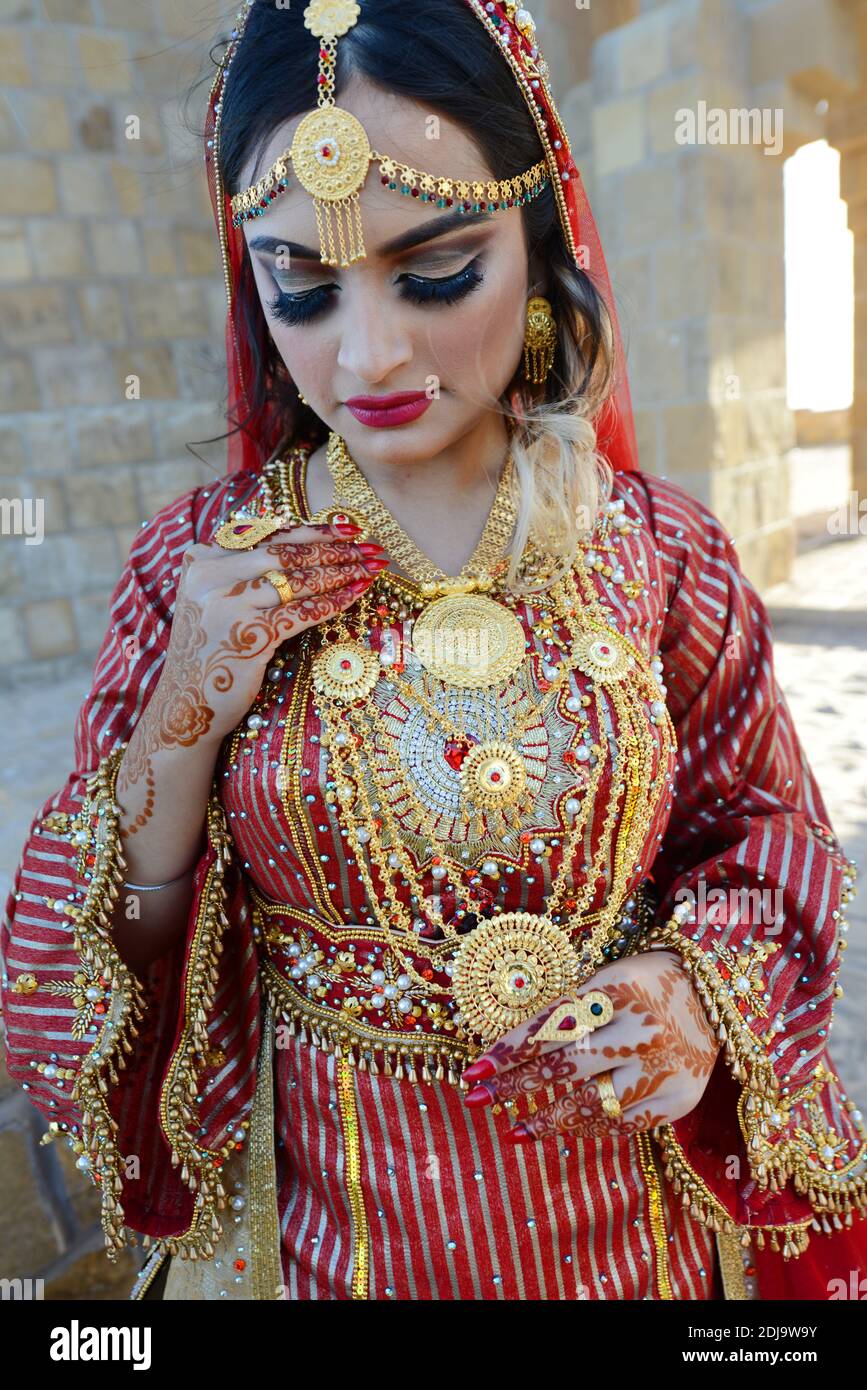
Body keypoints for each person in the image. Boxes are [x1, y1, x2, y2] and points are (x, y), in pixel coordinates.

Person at [1, 0, 865, 1302]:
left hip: (644, 1237)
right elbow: (111, 951)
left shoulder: (661, 552)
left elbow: (771, 837)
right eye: (301, 284)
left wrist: (693, 990)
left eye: (437, 270)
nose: (367, 352)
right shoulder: (204, 573)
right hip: (334, 1238)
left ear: (536, 238)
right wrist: (188, 705)